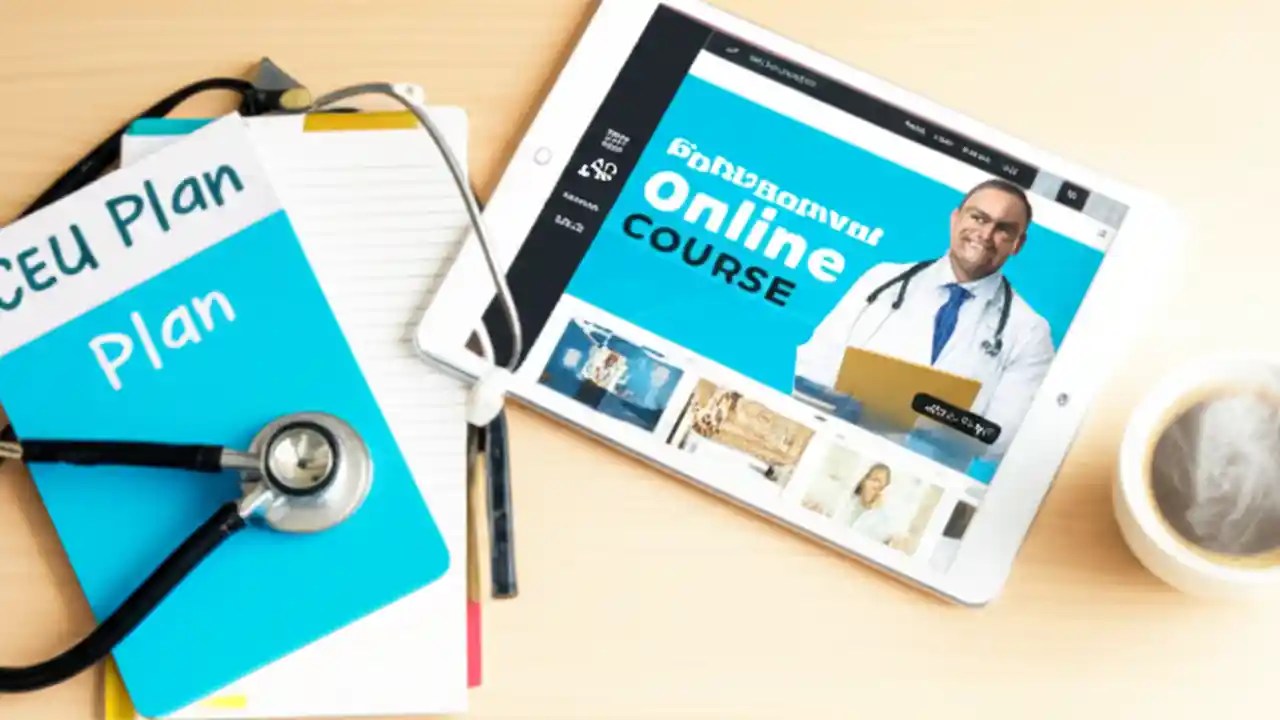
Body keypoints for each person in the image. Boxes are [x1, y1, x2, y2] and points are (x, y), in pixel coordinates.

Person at [793, 178, 1055, 460]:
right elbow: (812, 363)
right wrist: (849, 401)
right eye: (978, 218)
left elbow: (1003, 438)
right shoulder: (882, 279)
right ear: (955, 219)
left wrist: (933, 417)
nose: (986, 234)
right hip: (833, 449)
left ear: (1018, 244)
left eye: (1003, 229)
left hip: (926, 481)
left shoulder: (1029, 330)